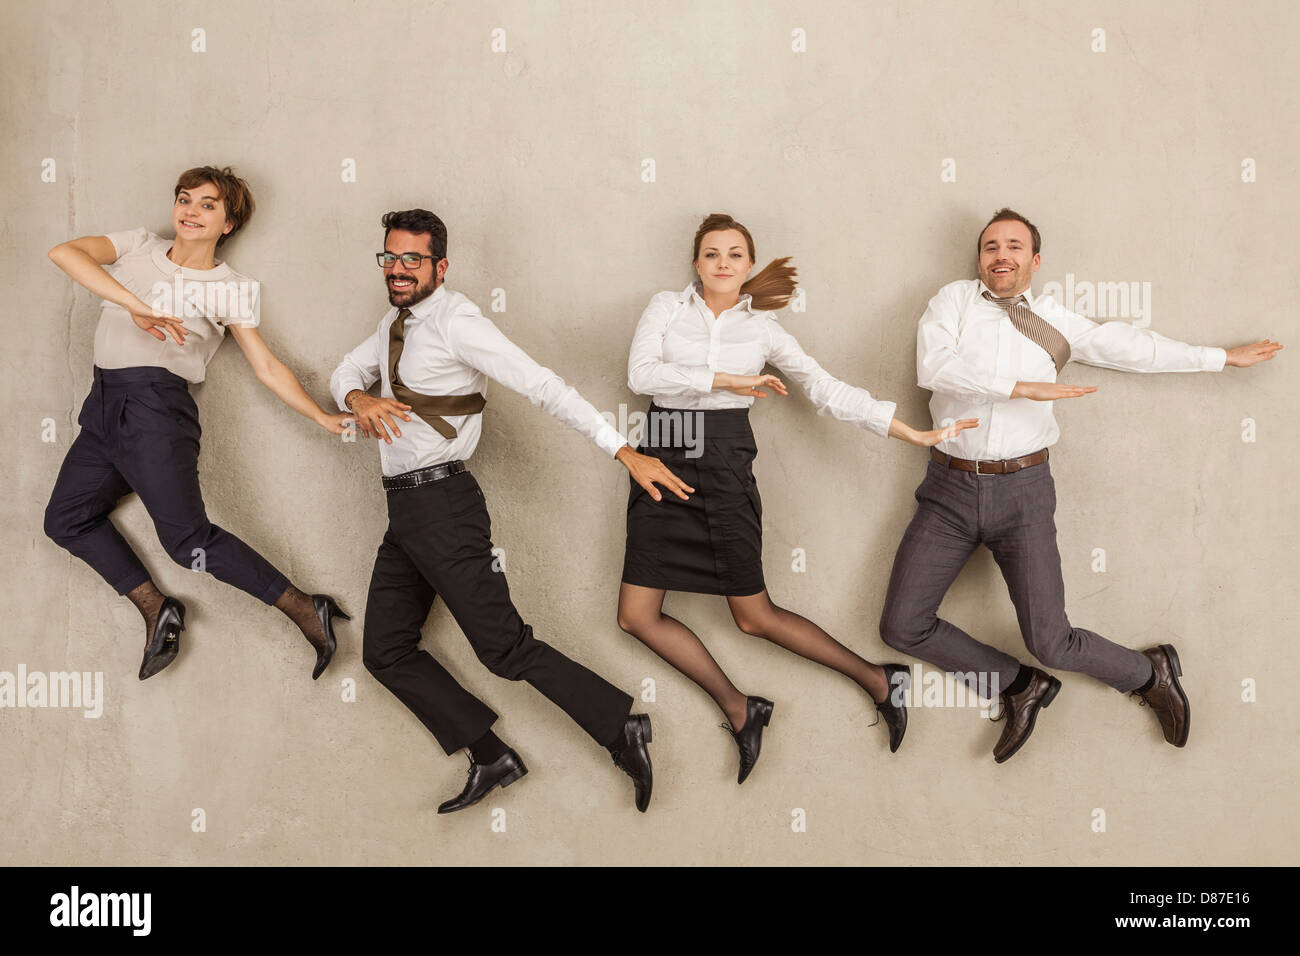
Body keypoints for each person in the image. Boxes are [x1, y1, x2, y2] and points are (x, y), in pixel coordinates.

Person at [879, 207, 1283, 762]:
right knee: (902, 625)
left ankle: (1148, 673)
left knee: (1050, 640)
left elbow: (1135, 349)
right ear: (979, 258)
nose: (1002, 255)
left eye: (1015, 246)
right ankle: (1019, 686)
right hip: (947, 490)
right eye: (991, 246)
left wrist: (1220, 359)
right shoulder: (952, 302)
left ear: (1035, 260)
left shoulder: (1054, 323)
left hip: (1022, 492)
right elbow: (936, 369)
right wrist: (1021, 387)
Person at [331, 208, 686, 814]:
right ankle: (491, 755)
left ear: (440, 265)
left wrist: (623, 450)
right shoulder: (398, 322)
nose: (398, 269)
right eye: (390, 257)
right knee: (386, 650)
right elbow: (346, 370)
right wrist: (360, 396)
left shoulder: (457, 322)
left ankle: (619, 724)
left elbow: (544, 385)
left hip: (444, 505)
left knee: (504, 648)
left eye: (412, 259)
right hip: (407, 513)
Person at [617, 212, 978, 783]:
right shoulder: (667, 306)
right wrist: (726, 380)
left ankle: (879, 679)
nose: (722, 264)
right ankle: (741, 708)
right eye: (712, 254)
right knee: (637, 616)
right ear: (696, 263)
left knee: (752, 617)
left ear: (748, 266)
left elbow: (825, 389)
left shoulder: (762, 328)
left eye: (735, 255)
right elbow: (642, 376)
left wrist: (905, 429)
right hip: (660, 453)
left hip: (723, 459)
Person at [43, 165, 353, 682]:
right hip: (103, 405)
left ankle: (303, 606)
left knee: (190, 544)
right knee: (67, 518)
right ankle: (154, 607)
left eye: (209, 205)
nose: (191, 211)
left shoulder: (232, 288)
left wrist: (322, 416)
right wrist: (136, 306)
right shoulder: (138, 246)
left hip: (157, 409)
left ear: (228, 223)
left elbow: (267, 366)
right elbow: (64, 253)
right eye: (185, 199)